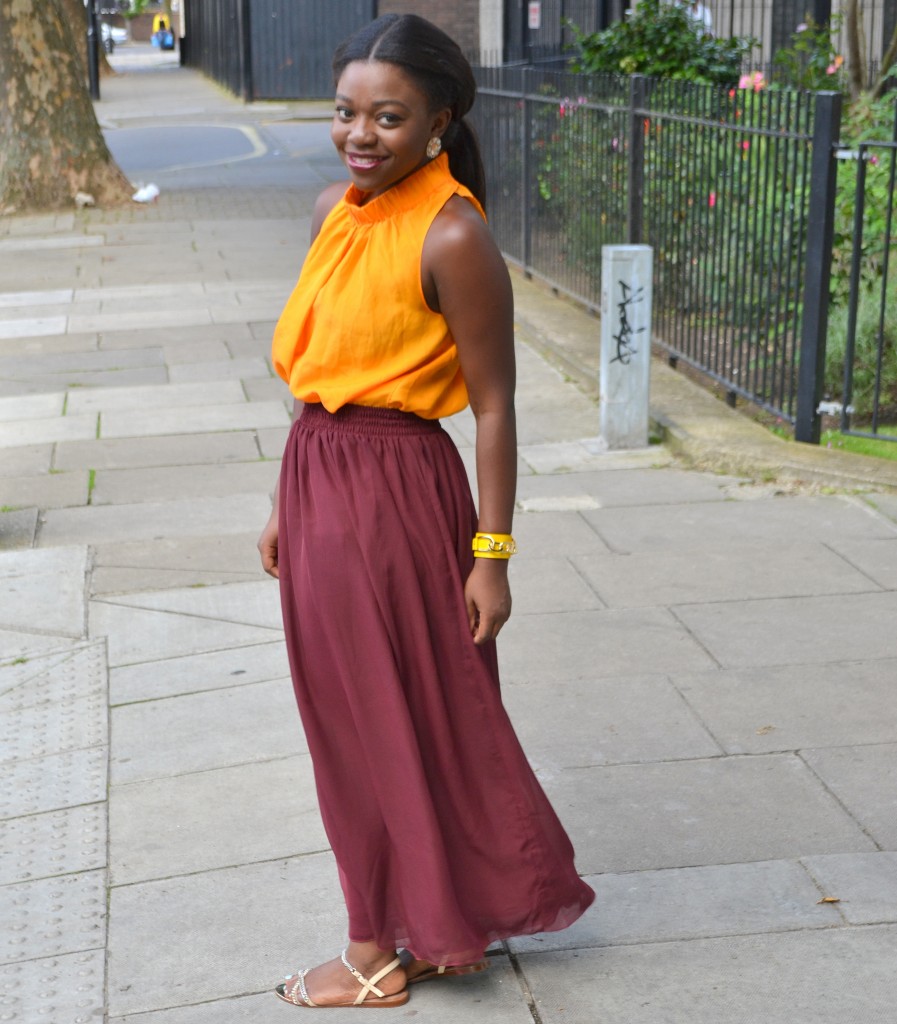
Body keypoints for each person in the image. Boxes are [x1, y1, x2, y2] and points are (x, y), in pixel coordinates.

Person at [258, 13, 595, 1009]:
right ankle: (438, 926)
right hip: (320, 479)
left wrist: (491, 555)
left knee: (390, 722)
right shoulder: (332, 210)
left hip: (396, 496)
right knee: (365, 718)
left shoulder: (452, 233)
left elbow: (494, 406)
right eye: (345, 112)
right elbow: (319, 370)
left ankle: (373, 952)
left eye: (388, 117)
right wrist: (282, 503)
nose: (359, 135)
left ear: (439, 121)